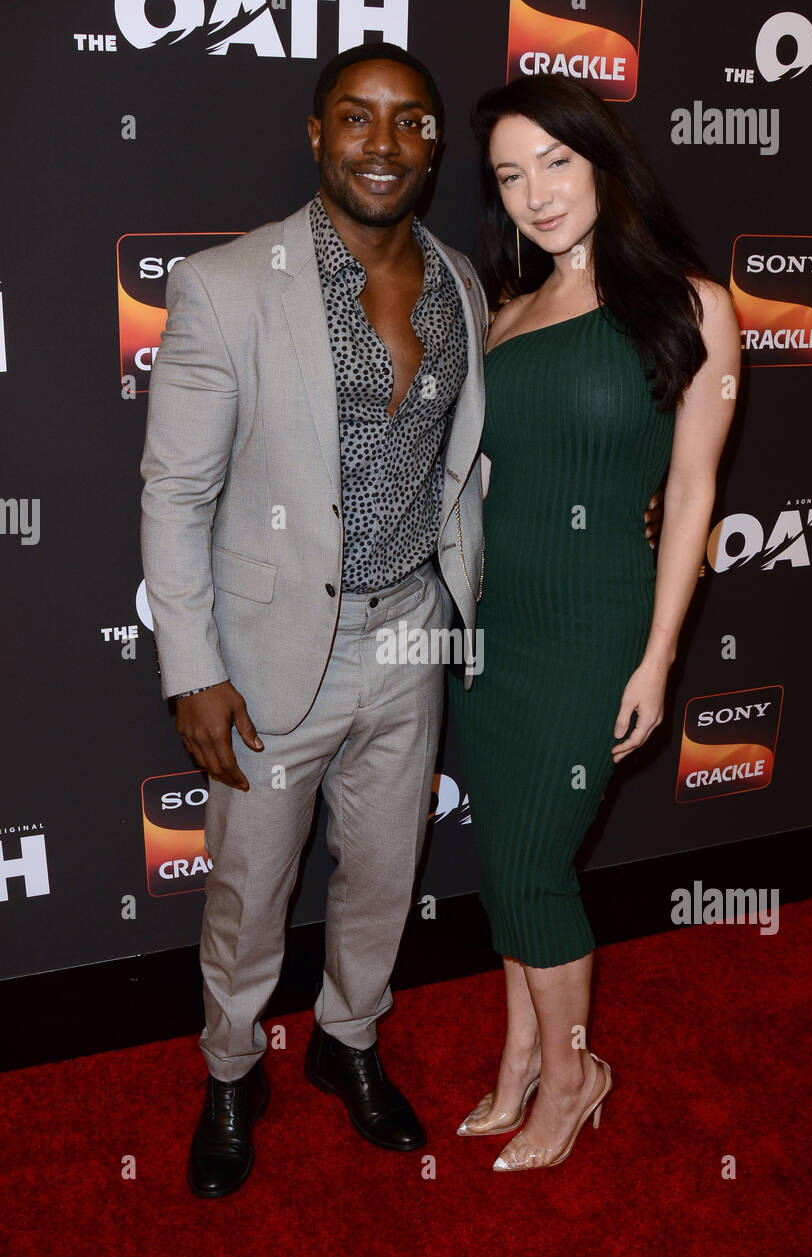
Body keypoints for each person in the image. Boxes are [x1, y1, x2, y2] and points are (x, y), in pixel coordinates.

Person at [139, 42, 490, 1198]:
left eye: (411, 123)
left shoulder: (460, 284)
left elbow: (463, 463)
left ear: (435, 147)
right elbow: (177, 493)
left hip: (413, 636)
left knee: (385, 872)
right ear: (315, 133)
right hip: (272, 653)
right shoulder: (228, 283)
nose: (384, 145)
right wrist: (192, 667)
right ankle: (234, 1069)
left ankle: (348, 1043)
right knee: (249, 893)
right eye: (358, 118)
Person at [448, 74, 740, 1172]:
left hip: (594, 627)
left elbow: (696, 497)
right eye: (511, 176)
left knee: (533, 866)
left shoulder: (692, 303)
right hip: (493, 629)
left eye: (554, 162)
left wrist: (658, 658)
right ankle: (522, 1055)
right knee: (505, 860)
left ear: (603, 159)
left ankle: (575, 1075)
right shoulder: (505, 308)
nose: (535, 193)